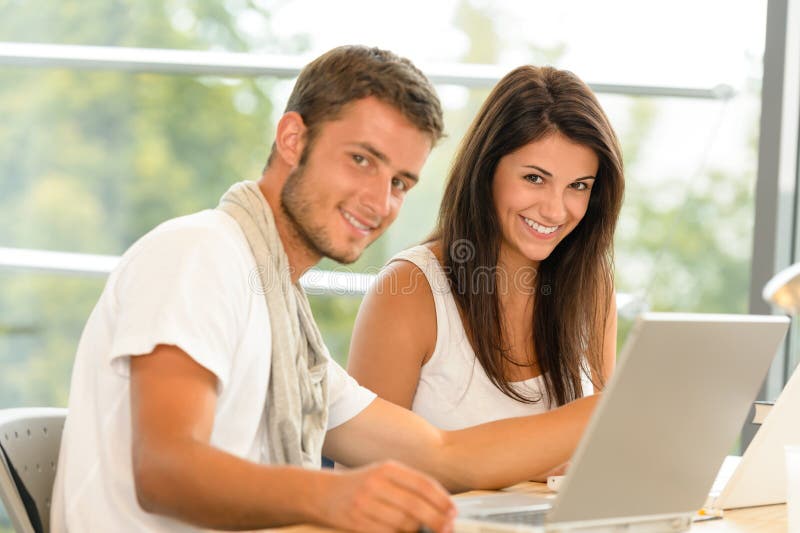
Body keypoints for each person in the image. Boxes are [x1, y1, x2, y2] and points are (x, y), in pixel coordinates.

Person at [51, 48, 600, 533]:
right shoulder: (200, 252)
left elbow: (443, 453)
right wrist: (333, 495)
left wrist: (617, 411)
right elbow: (166, 471)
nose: (378, 200)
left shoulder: (287, 324)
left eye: (399, 183)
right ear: (293, 139)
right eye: (361, 159)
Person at [348, 66, 623, 432]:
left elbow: (600, 444)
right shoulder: (408, 291)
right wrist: (540, 458)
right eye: (534, 178)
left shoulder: (592, 284)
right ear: (486, 170)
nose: (556, 210)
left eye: (578, 186)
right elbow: (366, 470)